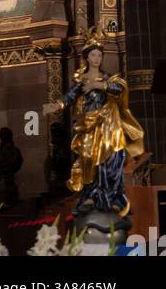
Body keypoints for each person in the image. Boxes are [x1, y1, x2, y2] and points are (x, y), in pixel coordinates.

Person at [42, 29, 144, 218]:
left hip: (108, 126)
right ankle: (90, 195)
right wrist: (55, 106)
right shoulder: (81, 80)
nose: (97, 58)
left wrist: (99, 85)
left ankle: (110, 197)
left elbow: (118, 89)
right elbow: (70, 96)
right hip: (88, 126)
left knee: (110, 161)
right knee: (88, 160)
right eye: (93, 55)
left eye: (99, 55)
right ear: (87, 58)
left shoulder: (107, 78)